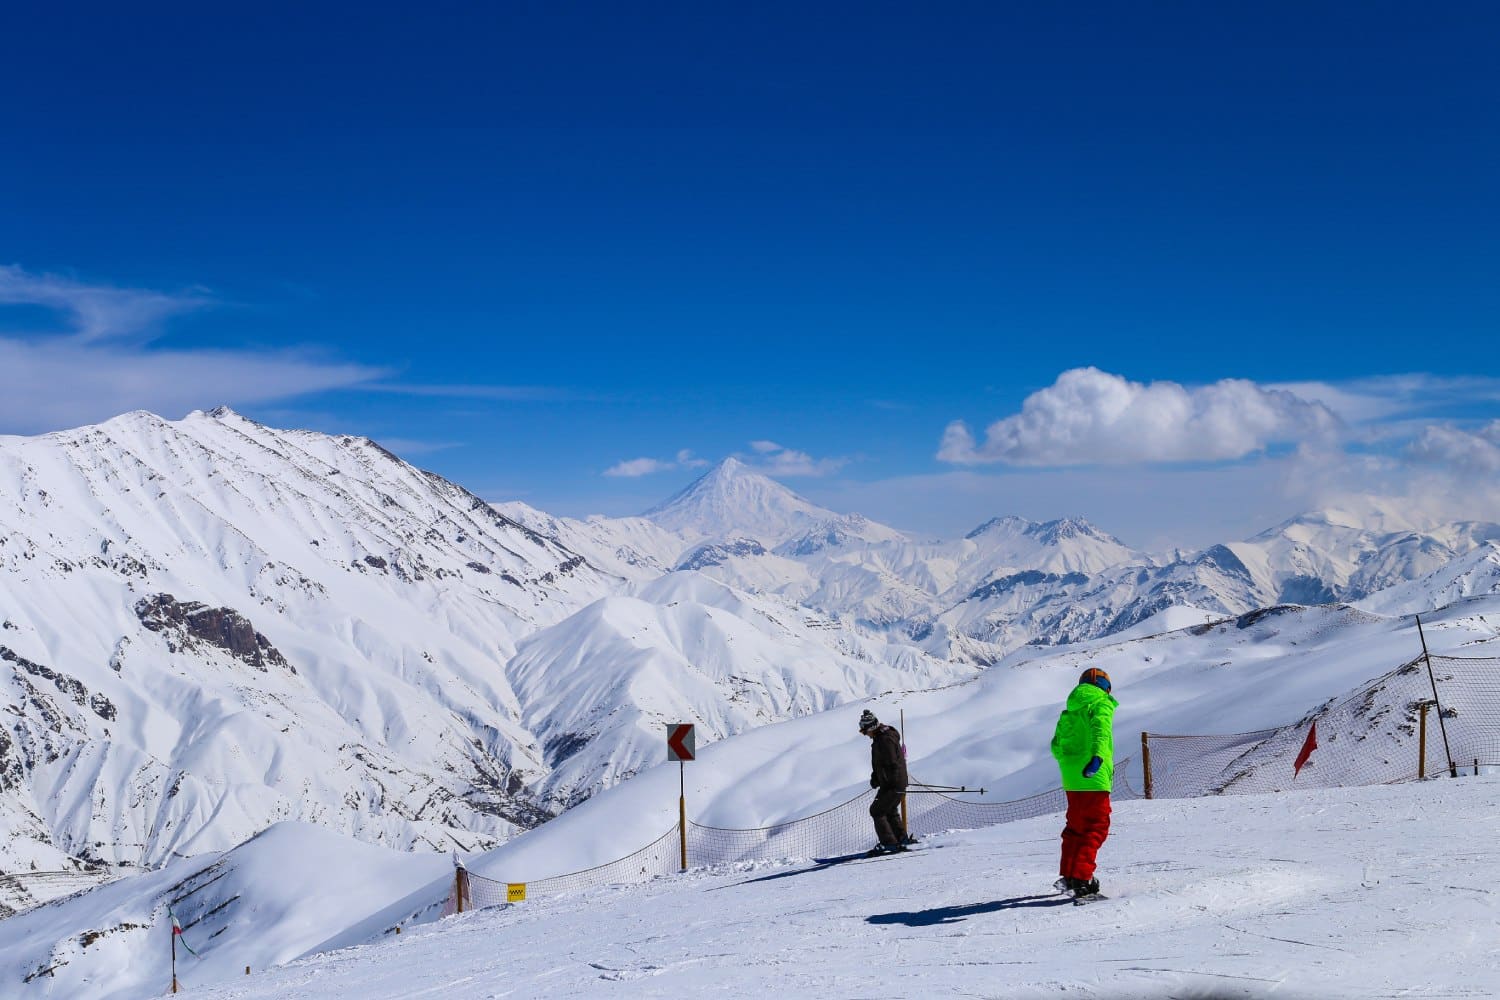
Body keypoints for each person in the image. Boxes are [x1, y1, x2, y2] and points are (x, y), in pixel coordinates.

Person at [1050, 667, 1117, 898]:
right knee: (1096, 827)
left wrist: (1068, 765)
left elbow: (1056, 745)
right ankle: (1082, 878)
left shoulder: (1069, 711)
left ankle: (1069, 875)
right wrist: (1097, 758)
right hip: (1093, 776)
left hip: (1071, 778)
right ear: (1105, 687)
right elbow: (1101, 732)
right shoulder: (1101, 703)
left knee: (1076, 826)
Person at [858, 709, 909, 856]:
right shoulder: (884, 736)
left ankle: (889, 843)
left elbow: (890, 763)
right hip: (896, 782)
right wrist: (876, 778)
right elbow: (881, 764)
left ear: (872, 727)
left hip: (892, 784)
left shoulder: (884, 740)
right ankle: (901, 839)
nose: (865, 734)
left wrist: (885, 780)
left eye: (864, 731)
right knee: (889, 810)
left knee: (877, 810)